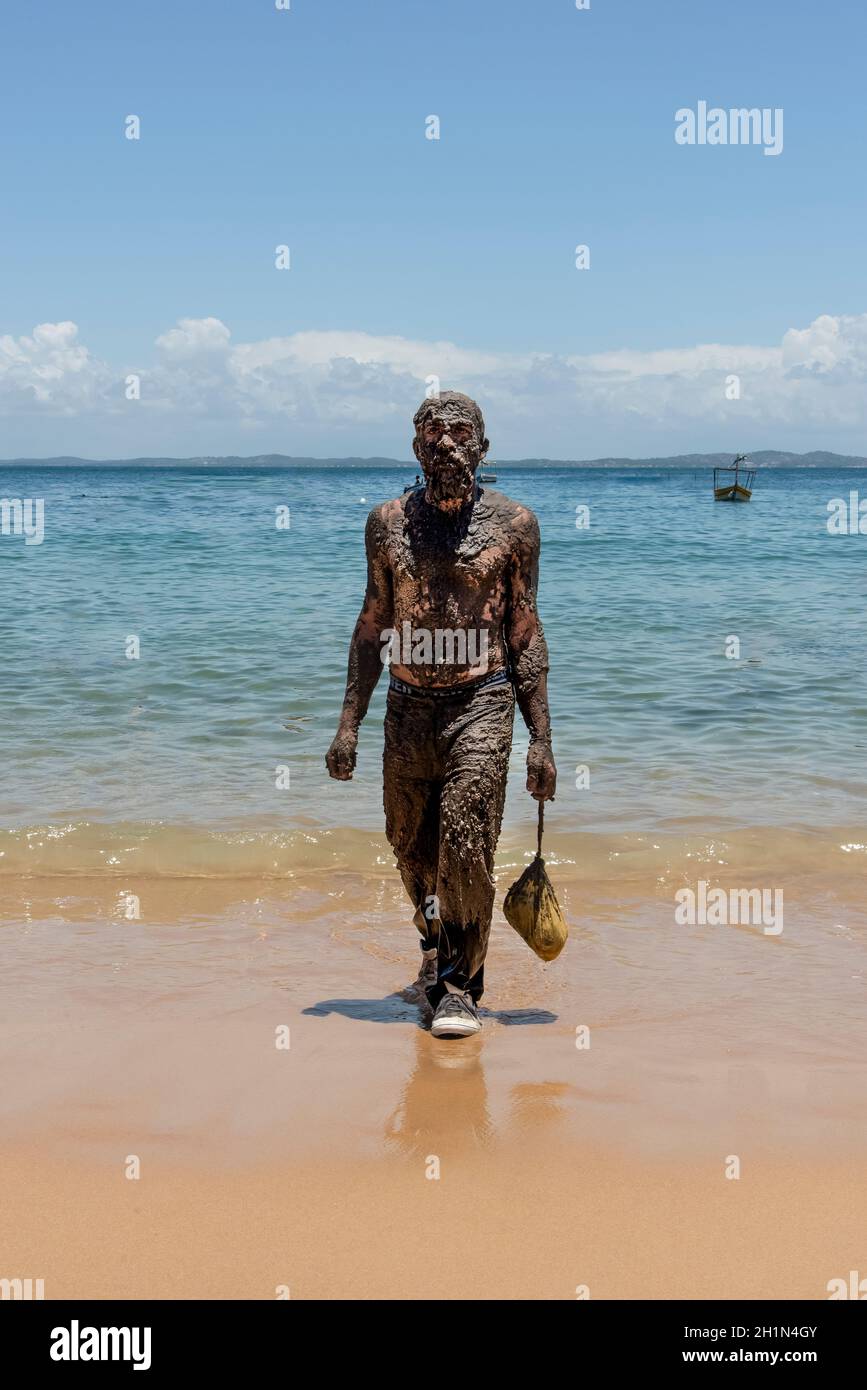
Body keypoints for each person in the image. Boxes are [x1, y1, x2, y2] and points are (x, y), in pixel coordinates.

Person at [326, 391, 556, 1038]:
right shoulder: (386, 523)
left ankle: (460, 985)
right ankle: (434, 941)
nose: (446, 444)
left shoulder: (514, 525)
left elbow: (522, 629)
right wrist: (349, 722)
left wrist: (541, 738)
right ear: (415, 447)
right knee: (410, 847)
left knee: (464, 838)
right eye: (432, 434)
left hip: (480, 701)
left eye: (459, 434)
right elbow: (373, 623)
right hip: (405, 709)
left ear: (482, 446)